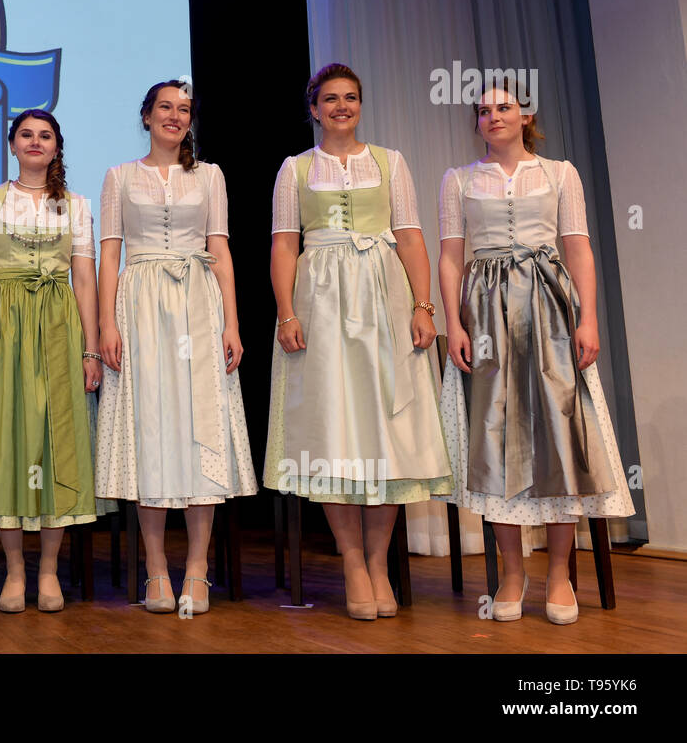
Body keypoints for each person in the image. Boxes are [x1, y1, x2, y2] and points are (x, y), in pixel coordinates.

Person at [437, 82, 634, 625]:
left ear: (526, 114)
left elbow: (578, 247)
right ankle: (512, 573)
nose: (493, 116)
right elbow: (452, 256)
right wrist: (453, 321)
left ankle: (561, 575)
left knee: (559, 435)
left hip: (549, 306)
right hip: (486, 313)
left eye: (503, 106)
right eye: (483, 110)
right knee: (495, 439)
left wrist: (587, 318)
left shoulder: (559, 172)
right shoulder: (458, 181)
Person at [265, 63, 452, 620]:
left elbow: (413, 237)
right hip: (320, 304)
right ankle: (350, 561)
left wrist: (423, 306)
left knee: (384, 433)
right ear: (314, 108)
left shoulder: (391, 163)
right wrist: (285, 312)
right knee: (332, 429)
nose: (341, 106)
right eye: (330, 99)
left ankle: (377, 562)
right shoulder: (294, 170)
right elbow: (283, 246)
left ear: (360, 105)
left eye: (350, 97)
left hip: (384, 300)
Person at [96, 80, 257, 614]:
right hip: (139, 306)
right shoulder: (118, 177)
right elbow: (110, 256)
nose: (174, 116)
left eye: (184, 109)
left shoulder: (210, 176)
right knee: (151, 434)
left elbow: (221, 252)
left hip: (197, 302)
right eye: (165, 107)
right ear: (146, 116)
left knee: (199, 431)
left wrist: (232, 323)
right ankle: (156, 571)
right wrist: (106, 326)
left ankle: (198, 569)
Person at [0, 109, 105, 613]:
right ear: (13, 144)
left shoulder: (77, 205)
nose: (36, 142)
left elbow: (84, 280)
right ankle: (15, 572)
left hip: (59, 325)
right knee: (10, 440)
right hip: (3, 325)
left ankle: (48, 571)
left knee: (55, 439)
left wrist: (91, 348)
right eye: (27, 135)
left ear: (57, 147)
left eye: (45, 135)